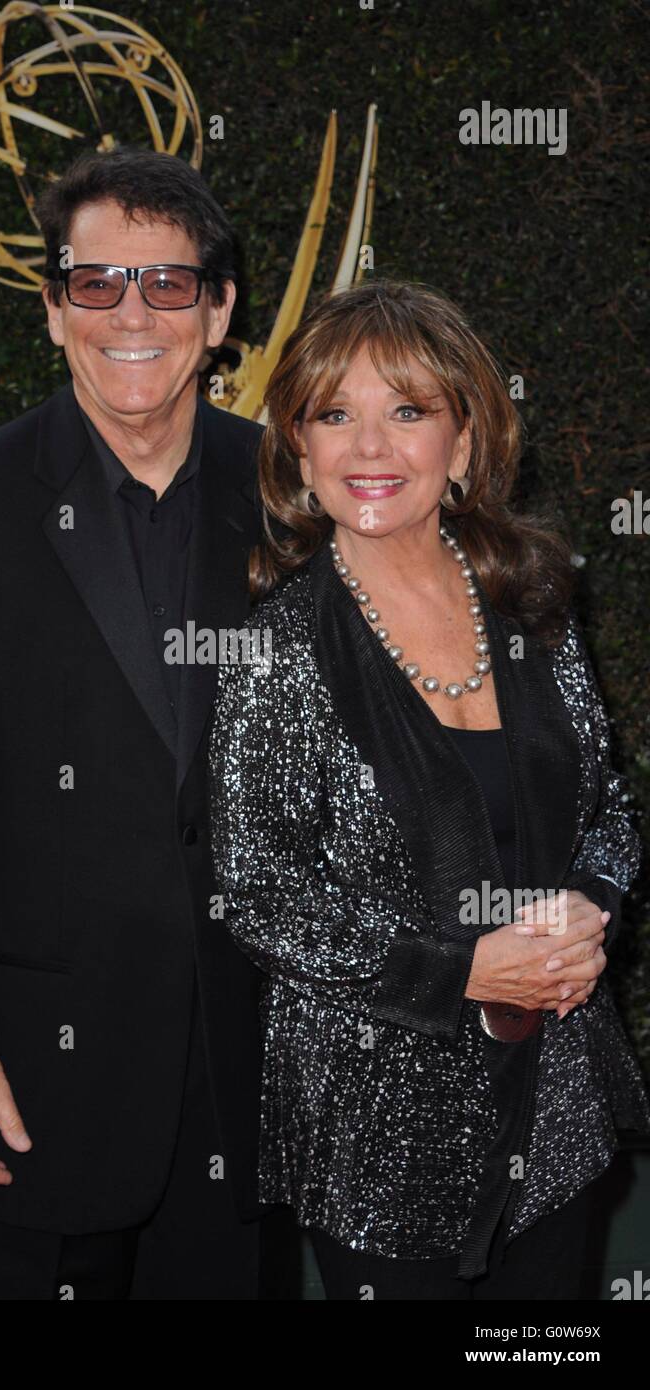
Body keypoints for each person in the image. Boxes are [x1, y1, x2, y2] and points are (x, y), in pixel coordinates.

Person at [207, 278, 650, 1300]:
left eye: (408, 410)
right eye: (334, 414)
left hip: (554, 1099)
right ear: (300, 451)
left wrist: (591, 907)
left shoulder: (532, 601)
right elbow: (260, 891)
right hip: (379, 1128)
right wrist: (463, 970)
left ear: (462, 443)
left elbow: (611, 810)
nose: (369, 446)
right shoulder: (277, 647)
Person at [0, 147, 267, 1300]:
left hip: (242, 1064)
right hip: (39, 1070)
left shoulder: (289, 489)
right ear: (54, 310)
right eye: (96, 283)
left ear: (219, 311)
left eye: (167, 283)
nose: (130, 314)